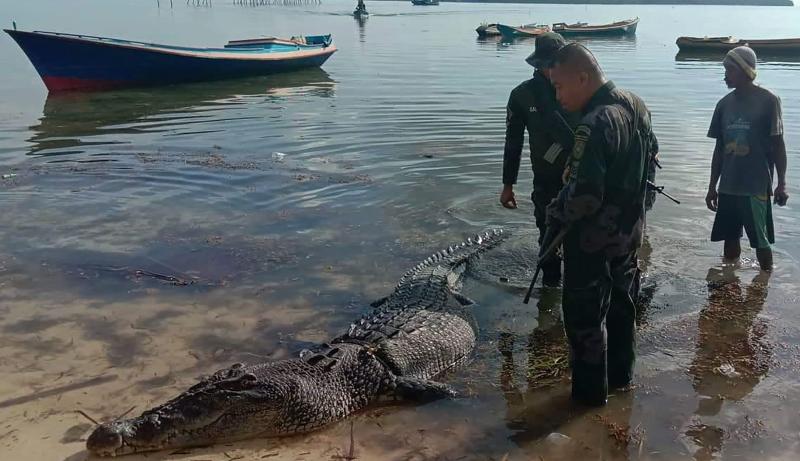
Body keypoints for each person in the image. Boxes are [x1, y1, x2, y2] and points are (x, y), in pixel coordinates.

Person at [546, 43, 658, 406]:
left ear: (583, 77)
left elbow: (585, 197)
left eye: (560, 86)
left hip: (592, 242)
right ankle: (622, 380)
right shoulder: (636, 103)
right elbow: (651, 160)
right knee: (623, 309)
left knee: (584, 321)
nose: (557, 95)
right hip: (629, 234)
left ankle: (589, 399)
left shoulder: (594, 124)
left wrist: (554, 214)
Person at [500, 32, 578, 287]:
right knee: (548, 242)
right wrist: (508, 185)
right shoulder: (523, 95)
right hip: (545, 181)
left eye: (557, 63)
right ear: (538, 64)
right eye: (547, 64)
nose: (551, 70)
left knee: (584, 244)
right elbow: (513, 142)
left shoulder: (581, 88)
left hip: (584, 178)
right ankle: (549, 300)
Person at [705, 46, 788, 271]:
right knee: (729, 240)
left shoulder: (769, 101)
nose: (725, 75)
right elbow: (719, 149)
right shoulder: (723, 104)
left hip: (755, 186)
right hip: (728, 186)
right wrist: (712, 187)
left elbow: (778, 145)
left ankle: (764, 282)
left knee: (760, 241)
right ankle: (729, 280)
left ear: (744, 70)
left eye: (729, 70)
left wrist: (781, 184)